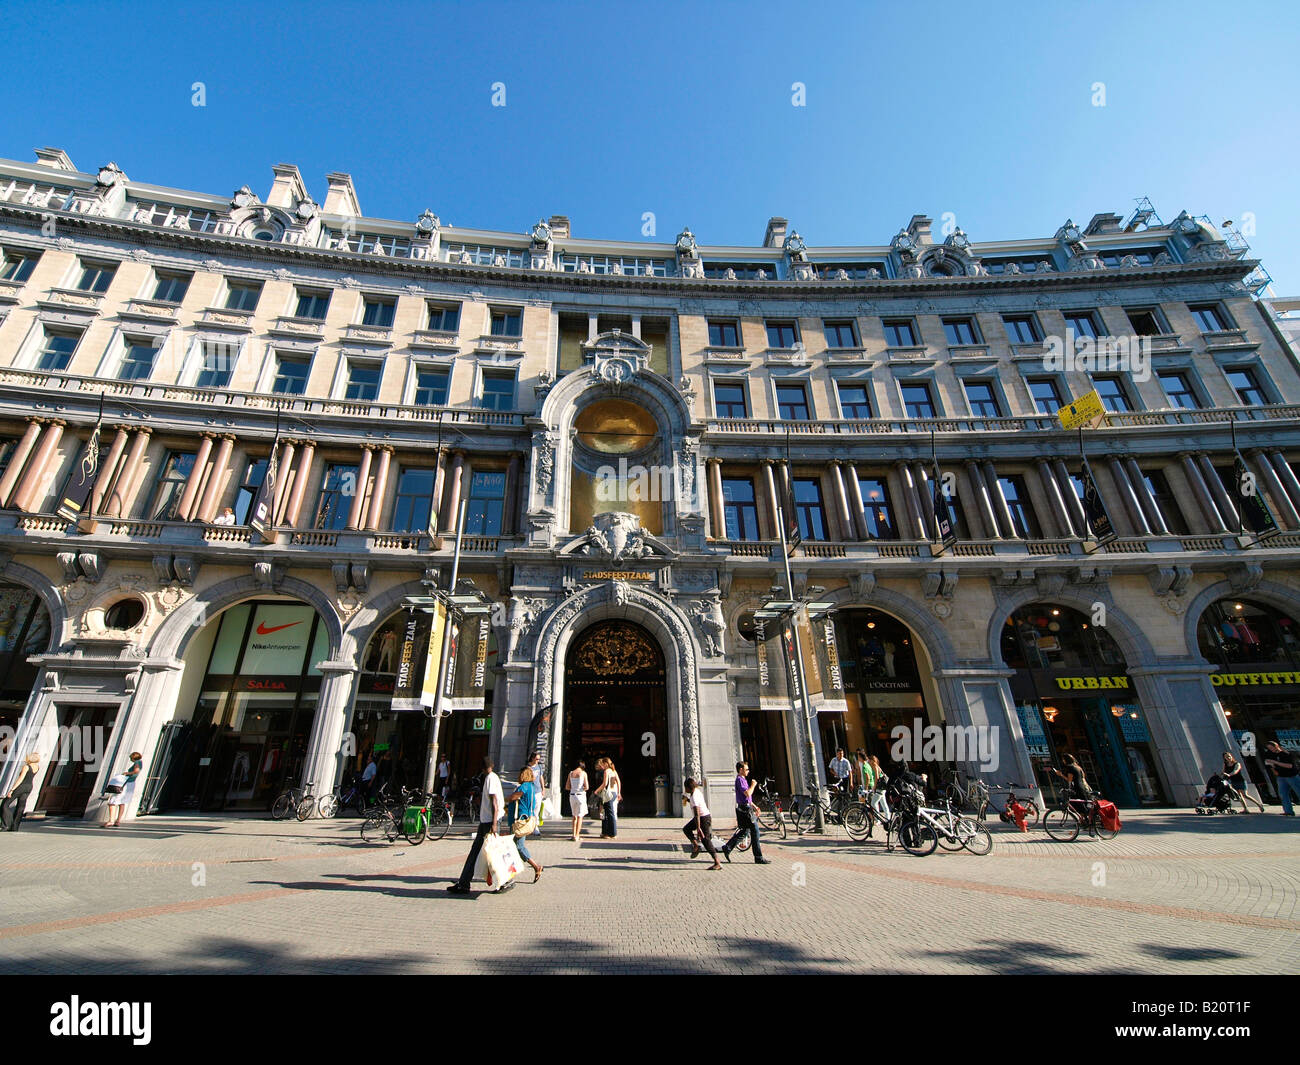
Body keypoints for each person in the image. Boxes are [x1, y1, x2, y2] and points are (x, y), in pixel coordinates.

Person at [447, 755, 507, 894]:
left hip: (489, 822)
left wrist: (493, 823)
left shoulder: (491, 778)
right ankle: (464, 883)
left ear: (483, 768)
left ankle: (503, 880)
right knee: (479, 852)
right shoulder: (492, 778)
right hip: (487, 821)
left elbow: (494, 802)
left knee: (491, 853)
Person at [721, 761, 770, 864]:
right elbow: (747, 793)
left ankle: (728, 847)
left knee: (745, 831)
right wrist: (753, 785)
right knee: (755, 831)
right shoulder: (739, 780)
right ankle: (758, 857)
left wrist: (755, 806)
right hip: (745, 810)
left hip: (745, 807)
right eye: (747, 769)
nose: (748, 771)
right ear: (741, 770)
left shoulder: (743, 780)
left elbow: (747, 798)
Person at [505, 766, 543, 883]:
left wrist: (505, 799)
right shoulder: (531, 786)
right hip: (524, 819)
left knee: (518, 846)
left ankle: (536, 867)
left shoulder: (524, 786)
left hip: (520, 821)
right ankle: (511, 871)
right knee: (514, 846)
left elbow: (514, 797)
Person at [682, 777, 721, 871]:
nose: (685, 789)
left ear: (688, 787)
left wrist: (698, 828)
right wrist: (687, 799)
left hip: (703, 818)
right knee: (686, 829)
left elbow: (697, 814)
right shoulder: (696, 792)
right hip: (703, 817)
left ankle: (717, 862)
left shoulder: (694, 796)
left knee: (706, 840)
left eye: (685, 788)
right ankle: (696, 845)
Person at [2, 752, 40, 831]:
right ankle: (15, 827)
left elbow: (20, 779)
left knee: (5, 804)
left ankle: (6, 824)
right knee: (21, 806)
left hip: (21, 786)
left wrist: (12, 790)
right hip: (29, 787)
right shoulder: (37, 767)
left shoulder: (26, 767)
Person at [104, 752, 143, 827]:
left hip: (126, 784)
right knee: (122, 802)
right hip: (131, 784)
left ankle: (111, 821)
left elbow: (136, 771)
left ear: (133, 757)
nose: (130, 759)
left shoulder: (137, 762)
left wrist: (126, 773)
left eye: (131, 758)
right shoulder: (141, 762)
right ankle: (118, 821)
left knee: (112, 801)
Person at [1263, 741, 1300, 816]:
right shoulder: (1270, 754)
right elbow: (1269, 764)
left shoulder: (1285, 754)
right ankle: (1288, 811)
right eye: (1269, 748)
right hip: (1281, 777)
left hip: (1291, 776)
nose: (1271, 749)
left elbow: (1290, 766)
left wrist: (1275, 762)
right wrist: (1274, 770)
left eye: (1272, 747)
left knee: (1298, 791)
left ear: (1276, 746)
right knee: (1283, 794)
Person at [597, 758, 621, 837]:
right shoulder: (613, 771)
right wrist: (619, 792)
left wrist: (596, 791)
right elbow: (618, 781)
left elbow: (604, 783)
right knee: (609, 813)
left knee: (608, 814)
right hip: (613, 793)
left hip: (608, 794)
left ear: (606, 763)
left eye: (603, 764)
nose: (602, 765)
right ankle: (608, 832)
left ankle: (612, 833)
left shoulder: (606, 771)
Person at [567, 760, 589, 841]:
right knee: (580, 816)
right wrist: (581, 788)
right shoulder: (583, 773)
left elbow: (567, 787)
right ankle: (577, 835)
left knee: (574, 816)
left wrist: (574, 787)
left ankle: (573, 834)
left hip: (572, 795)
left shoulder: (571, 773)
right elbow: (587, 787)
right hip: (580, 795)